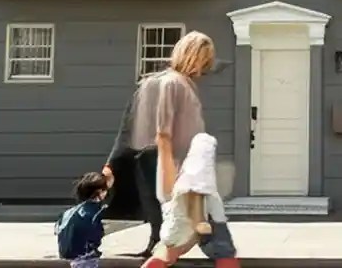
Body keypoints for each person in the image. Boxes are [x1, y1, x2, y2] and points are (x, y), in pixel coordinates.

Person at [102, 31, 216, 263]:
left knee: (175, 218)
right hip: (160, 156)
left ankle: (161, 250)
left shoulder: (173, 82)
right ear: (191, 56)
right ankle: (161, 252)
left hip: (166, 156)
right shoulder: (170, 83)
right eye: (202, 59)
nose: (204, 67)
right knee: (172, 215)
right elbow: (152, 130)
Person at [158, 133, 240, 268]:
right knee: (225, 252)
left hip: (174, 230)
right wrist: (200, 223)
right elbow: (196, 198)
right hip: (189, 229)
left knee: (164, 255)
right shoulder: (199, 175)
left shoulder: (185, 175)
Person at [56, 172, 108, 268]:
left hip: (66, 255)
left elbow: (58, 230)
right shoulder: (94, 210)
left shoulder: (68, 212)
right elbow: (96, 234)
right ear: (99, 191)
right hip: (84, 257)